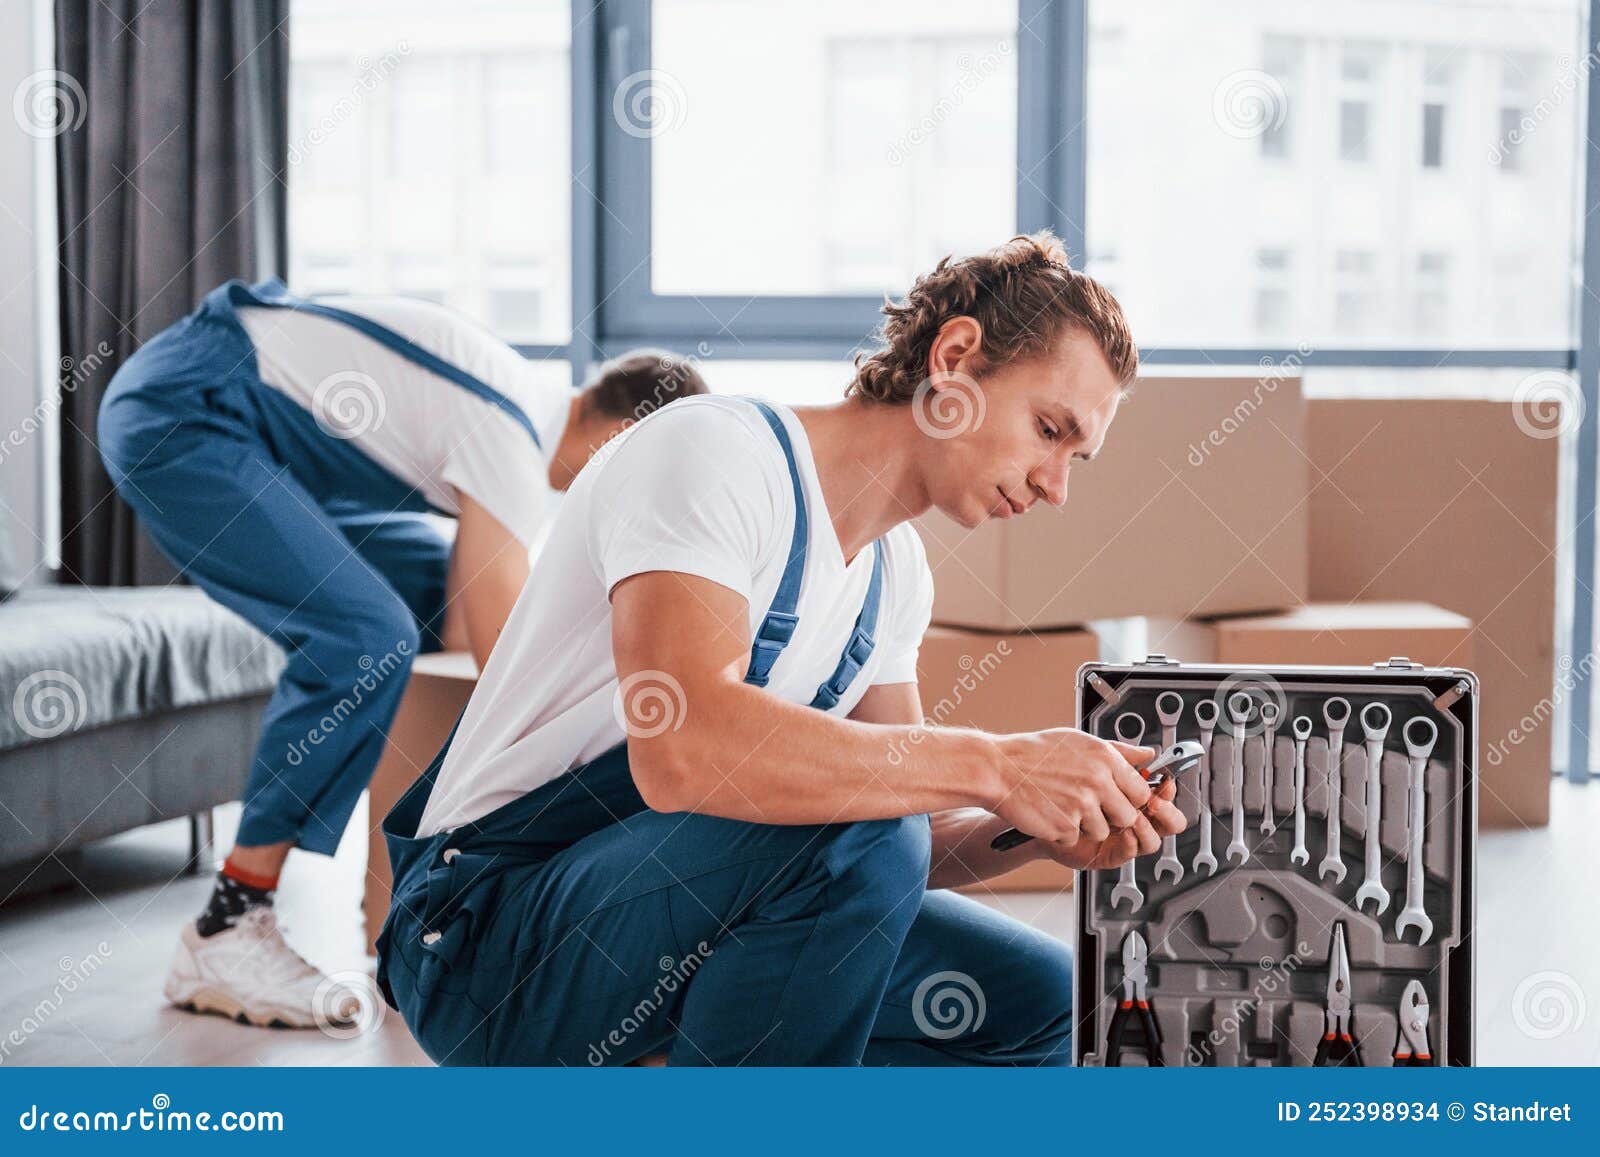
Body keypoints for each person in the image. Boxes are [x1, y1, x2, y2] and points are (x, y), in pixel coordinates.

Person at [376, 232, 1186, 1066]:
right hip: (486, 936)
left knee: (1044, 1003)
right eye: (1050, 430)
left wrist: (1038, 826)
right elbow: (685, 749)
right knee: (855, 835)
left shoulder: (893, 576)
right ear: (955, 358)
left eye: (1076, 458)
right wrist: (999, 762)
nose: (1056, 486)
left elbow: (911, 835)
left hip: (662, 913)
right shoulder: (717, 453)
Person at [97, 281, 706, 1029]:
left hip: (252, 429)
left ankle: (399, 885)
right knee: (367, 639)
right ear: (622, 441)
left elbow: (463, 621)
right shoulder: (508, 437)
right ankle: (233, 916)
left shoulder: (518, 408)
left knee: (422, 580)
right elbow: (505, 657)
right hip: (186, 409)